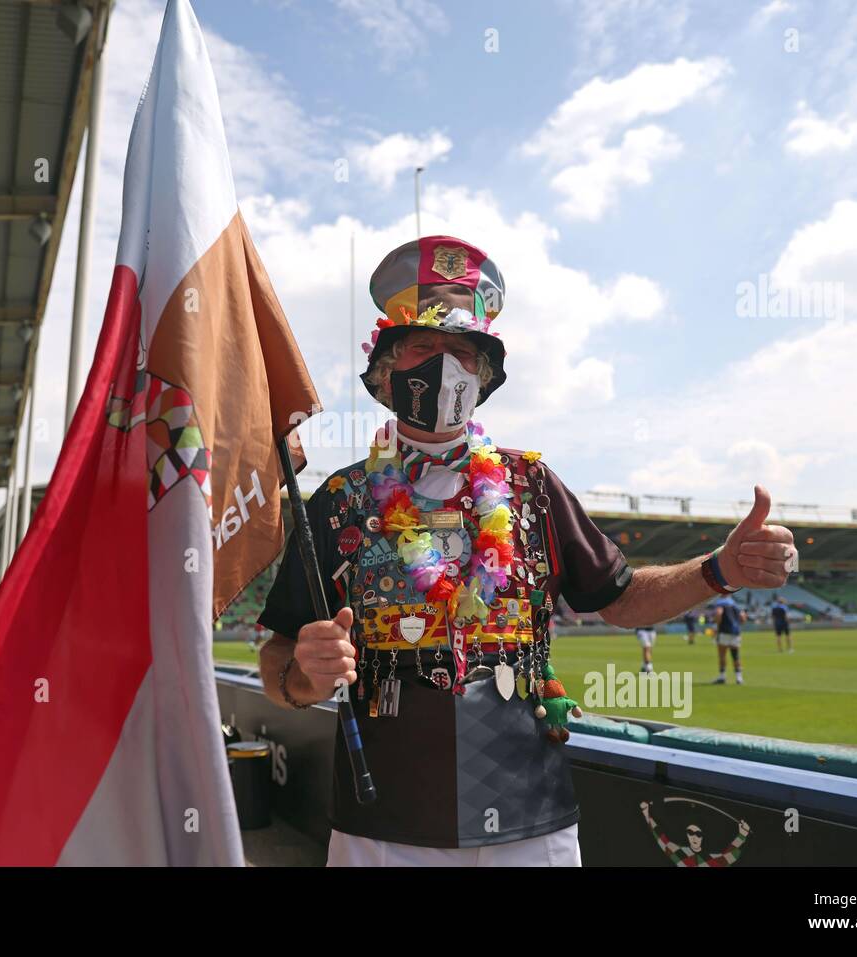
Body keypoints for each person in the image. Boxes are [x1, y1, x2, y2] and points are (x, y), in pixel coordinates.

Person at [256, 236, 797, 867]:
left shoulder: (533, 486)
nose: (444, 364)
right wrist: (301, 677)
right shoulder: (339, 498)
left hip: (529, 821)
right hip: (381, 826)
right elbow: (277, 657)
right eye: (424, 347)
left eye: (463, 350)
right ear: (387, 371)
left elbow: (618, 600)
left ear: (484, 374)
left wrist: (719, 570)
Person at [712, 595, 746, 684]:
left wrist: (717, 626)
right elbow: (743, 617)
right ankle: (739, 678)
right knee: (736, 656)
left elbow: (718, 614)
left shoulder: (720, 603)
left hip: (724, 632)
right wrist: (738, 625)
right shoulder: (735, 604)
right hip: (735, 632)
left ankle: (722, 677)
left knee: (722, 655)